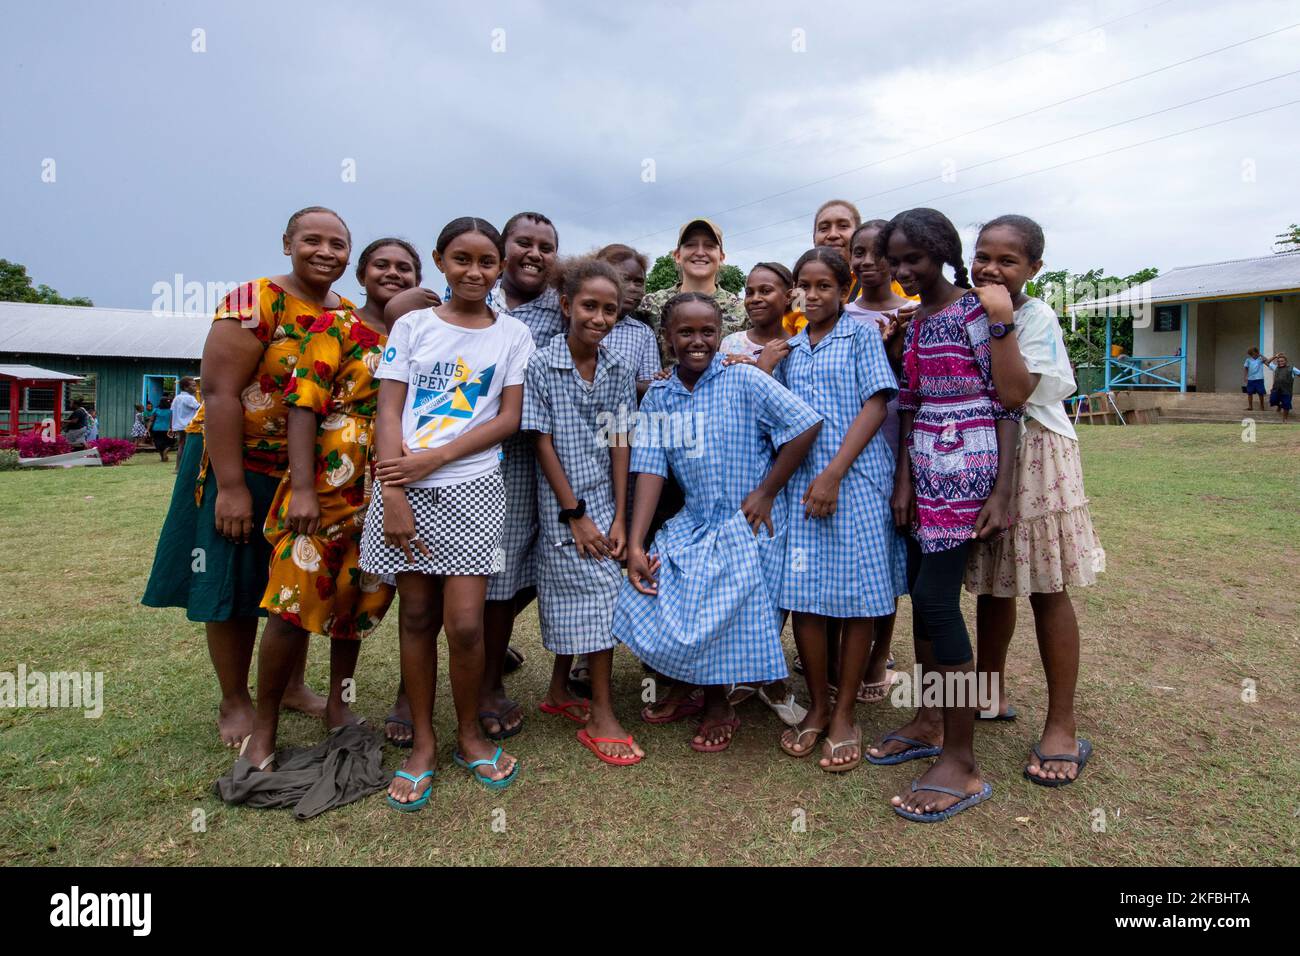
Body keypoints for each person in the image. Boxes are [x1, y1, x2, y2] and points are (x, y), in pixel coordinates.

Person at [142, 206, 349, 746]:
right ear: (287, 244)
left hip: (300, 469)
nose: (326, 252)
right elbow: (219, 393)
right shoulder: (254, 300)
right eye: (313, 241)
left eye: (338, 244)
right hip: (235, 461)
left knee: (293, 579)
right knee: (230, 578)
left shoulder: (343, 312)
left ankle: (292, 686)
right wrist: (231, 487)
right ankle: (235, 698)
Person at [361, 217, 534, 807]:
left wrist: (434, 459)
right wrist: (393, 491)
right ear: (440, 260)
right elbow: (389, 411)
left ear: (500, 269)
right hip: (404, 487)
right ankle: (423, 745)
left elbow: (506, 419)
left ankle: (468, 736)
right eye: (462, 259)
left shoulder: (512, 336)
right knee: (415, 617)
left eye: (487, 262)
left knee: (464, 624)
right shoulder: (410, 325)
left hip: (471, 488)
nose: (475, 271)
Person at [237, 238, 420, 774]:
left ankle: (339, 706)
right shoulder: (334, 328)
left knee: (357, 605)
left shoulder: (421, 337)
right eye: (382, 264)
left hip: (388, 487)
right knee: (293, 603)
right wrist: (301, 488)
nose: (393, 273)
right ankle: (264, 727)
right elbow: (303, 406)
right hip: (326, 482)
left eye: (405, 268)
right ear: (361, 275)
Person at [865, 208, 1022, 823]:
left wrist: (1003, 491)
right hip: (923, 467)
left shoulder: (975, 311)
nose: (903, 269)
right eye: (895, 259)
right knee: (925, 606)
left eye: (914, 258)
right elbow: (908, 402)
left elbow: (1009, 405)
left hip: (969, 465)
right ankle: (934, 726)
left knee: (934, 601)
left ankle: (962, 758)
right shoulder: (914, 319)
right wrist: (903, 477)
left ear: (943, 254)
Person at [613, 292, 822, 753]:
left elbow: (805, 424)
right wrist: (634, 541)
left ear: (719, 334)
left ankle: (717, 703)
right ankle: (689, 684)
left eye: (707, 331)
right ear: (667, 338)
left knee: (713, 594)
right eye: (685, 332)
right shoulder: (660, 396)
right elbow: (650, 469)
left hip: (749, 518)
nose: (697, 341)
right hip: (697, 518)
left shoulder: (743, 379)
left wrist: (767, 491)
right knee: (653, 578)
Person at [964, 214, 1103, 787]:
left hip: (1036, 457)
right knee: (995, 584)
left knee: (1047, 586)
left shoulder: (1035, 316)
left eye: (1007, 260)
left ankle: (1062, 724)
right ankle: (987, 694)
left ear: (1034, 268)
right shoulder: (964, 311)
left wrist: (1000, 319)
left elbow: (1016, 393)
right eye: (983, 256)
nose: (991, 269)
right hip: (984, 456)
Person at [773, 247, 905, 771]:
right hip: (803, 486)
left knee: (856, 599)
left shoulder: (861, 336)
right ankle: (820, 706)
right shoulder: (793, 349)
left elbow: (876, 403)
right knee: (806, 596)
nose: (813, 294)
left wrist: (833, 474)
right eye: (804, 285)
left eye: (824, 285)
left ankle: (846, 712)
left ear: (844, 288)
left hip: (856, 480)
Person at [525, 257, 644, 765]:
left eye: (610, 310)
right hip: (562, 502)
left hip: (602, 498)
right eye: (589, 306)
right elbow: (540, 441)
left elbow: (621, 441)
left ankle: (557, 691)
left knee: (589, 595)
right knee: (597, 596)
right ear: (566, 304)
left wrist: (619, 513)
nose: (599, 318)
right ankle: (601, 713)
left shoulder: (616, 367)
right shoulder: (539, 363)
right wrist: (575, 513)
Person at [477, 210, 563, 741]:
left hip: (529, 461)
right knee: (457, 574)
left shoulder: (564, 308)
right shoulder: (465, 297)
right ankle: (475, 659)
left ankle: (488, 680)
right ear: (501, 249)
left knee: (514, 572)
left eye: (546, 246)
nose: (534, 254)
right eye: (523, 243)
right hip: (460, 456)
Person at [717, 262, 808, 727]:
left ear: (789, 294)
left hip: (790, 476)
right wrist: (759, 368)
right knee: (746, 574)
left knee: (781, 576)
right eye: (750, 291)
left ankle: (771, 678)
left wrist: (767, 369)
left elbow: (799, 417)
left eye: (766, 290)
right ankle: (743, 672)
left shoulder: (803, 342)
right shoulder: (730, 345)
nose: (755, 298)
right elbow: (732, 408)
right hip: (744, 476)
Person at [637, 218, 748, 365]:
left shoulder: (743, 310)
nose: (700, 252)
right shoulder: (650, 305)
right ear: (677, 256)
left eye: (709, 246)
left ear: (721, 257)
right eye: (690, 245)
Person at [593, 243, 661, 398]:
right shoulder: (578, 322)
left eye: (639, 281)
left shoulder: (643, 333)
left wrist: (613, 377)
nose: (632, 288)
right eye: (624, 279)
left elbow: (651, 389)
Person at [171, 377, 202, 473]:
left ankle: (178, 467)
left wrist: (171, 427)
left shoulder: (177, 398)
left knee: (181, 445)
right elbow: (200, 409)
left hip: (179, 426)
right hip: (189, 426)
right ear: (185, 387)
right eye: (193, 386)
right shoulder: (189, 398)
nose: (195, 388)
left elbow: (172, 412)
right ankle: (189, 467)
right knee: (190, 446)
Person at [1266, 353, 1294, 423]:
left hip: (1287, 390)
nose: (1280, 363)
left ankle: (1285, 419)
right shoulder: (1275, 367)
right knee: (1273, 401)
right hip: (1276, 389)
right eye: (1278, 361)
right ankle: (1279, 405)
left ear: (1286, 361)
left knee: (1286, 404)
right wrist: (1275, 356)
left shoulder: (1292, 368)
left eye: (1282, 361)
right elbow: (1267, 362)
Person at [151, 397, 173, 462]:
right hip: (167, 429)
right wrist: (171, 428)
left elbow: (151, 420)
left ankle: (162, 457)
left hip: (156, 429)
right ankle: (165, 451)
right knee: (171, 442)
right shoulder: (171, 410)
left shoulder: (156, 410)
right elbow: (172, 420)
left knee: (158, 443)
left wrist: (147, 429)